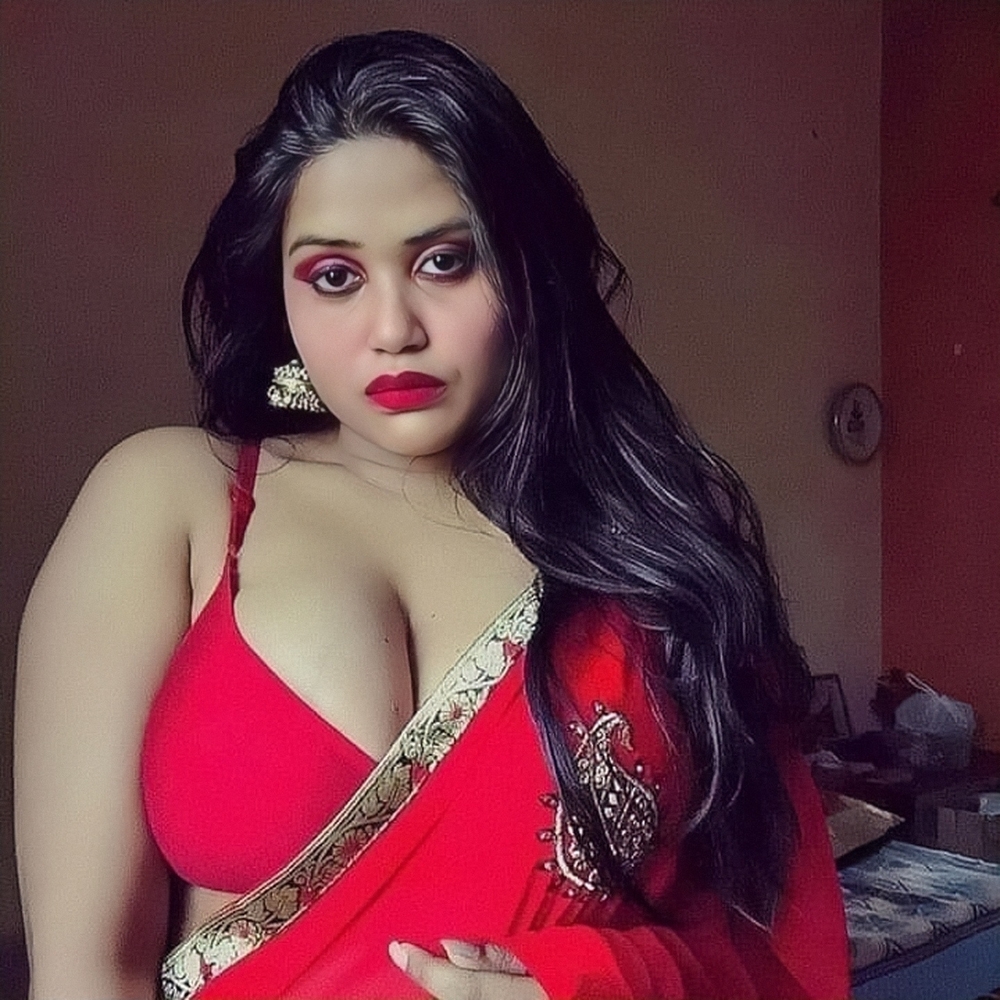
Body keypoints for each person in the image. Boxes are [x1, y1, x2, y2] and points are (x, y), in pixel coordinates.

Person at [15, 29, 849, 1000]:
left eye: (445, 262)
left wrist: (587, 981)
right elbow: (84, 972)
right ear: (278, 291)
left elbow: (765, 950)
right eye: (335, 276)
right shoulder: (175, 500)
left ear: (525, 270)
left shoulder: (646, 552)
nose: (393, 329)